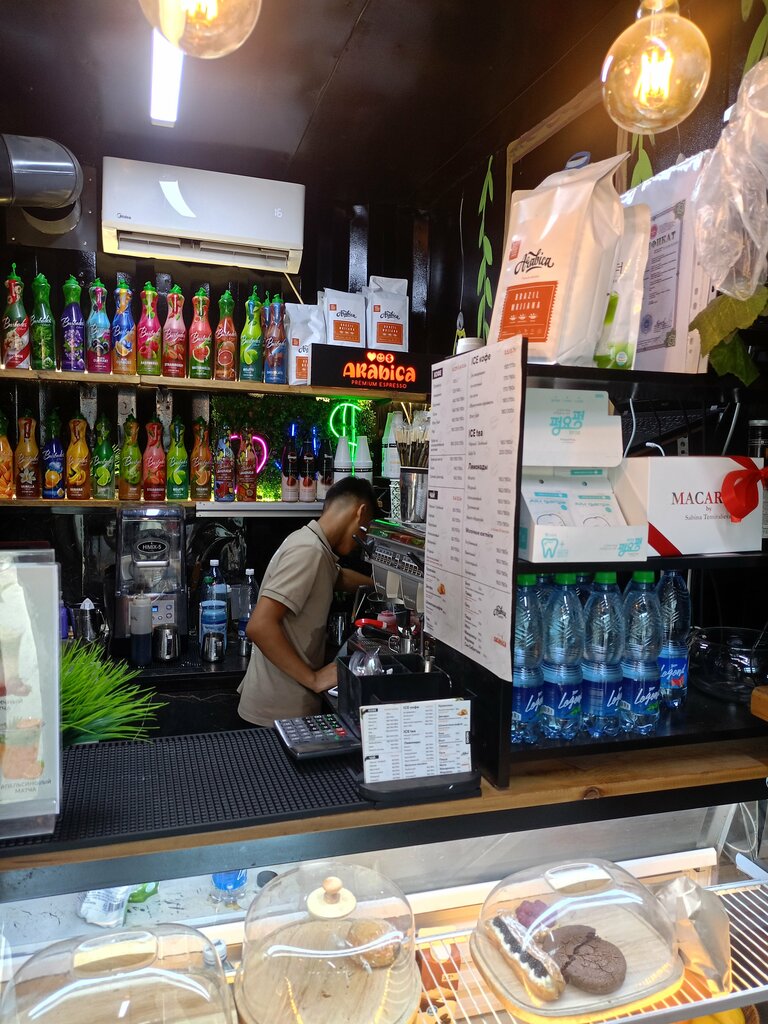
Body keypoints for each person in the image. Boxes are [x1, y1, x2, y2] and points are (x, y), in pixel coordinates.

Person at [237, 476, 377, 726]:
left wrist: (378, 584)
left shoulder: (312, 545)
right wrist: (314, 678)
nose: (361, 542)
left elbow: (336, 576)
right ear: (360, 512)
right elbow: (259, 625)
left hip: (283, 708)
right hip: (277, 714)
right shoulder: (308, 551)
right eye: (365, 529)